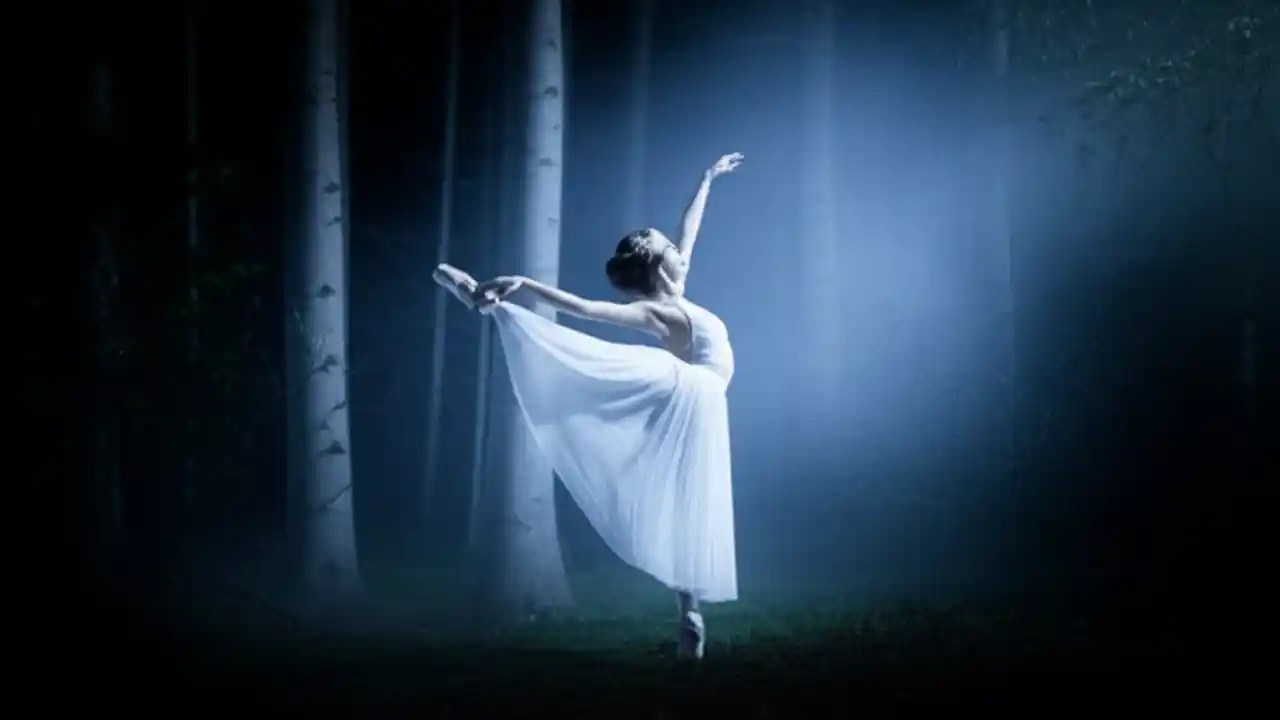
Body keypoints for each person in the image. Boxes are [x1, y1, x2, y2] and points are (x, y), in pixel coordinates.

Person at [434, 152, 744, 659]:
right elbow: (585, 310)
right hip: (696, 391)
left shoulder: (671, 290)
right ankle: (492, 303)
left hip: (699, 400)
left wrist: (706, 178)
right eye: (670, 249)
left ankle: (689, 610)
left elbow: (689, 228)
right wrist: (526, 283)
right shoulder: (655, 309)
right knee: (591, 377)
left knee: (690, 497)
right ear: (660, 263)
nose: (678, 249)